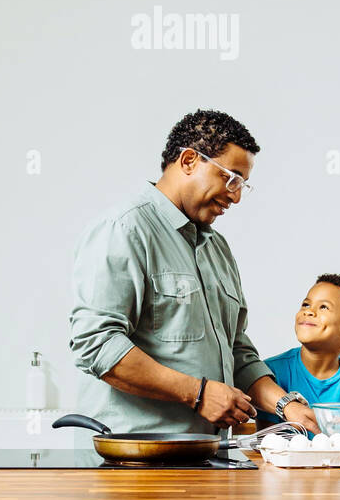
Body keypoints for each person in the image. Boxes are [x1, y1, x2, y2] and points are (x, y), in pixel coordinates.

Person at [68, 109, 319, 436]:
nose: (237, 196)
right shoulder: (124, 230)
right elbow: (96, 343)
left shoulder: (218, 248)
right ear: (188, 161)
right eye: (230, 178)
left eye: (243, 184)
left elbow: (237, 351)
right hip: (128, 461)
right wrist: (198, 393)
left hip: (202, 454)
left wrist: (288, 406)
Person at [256, 275, 340, 427]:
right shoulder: (270, 373)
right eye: (306, 304)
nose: (309, 312)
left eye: (324, 307)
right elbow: (268, 443)